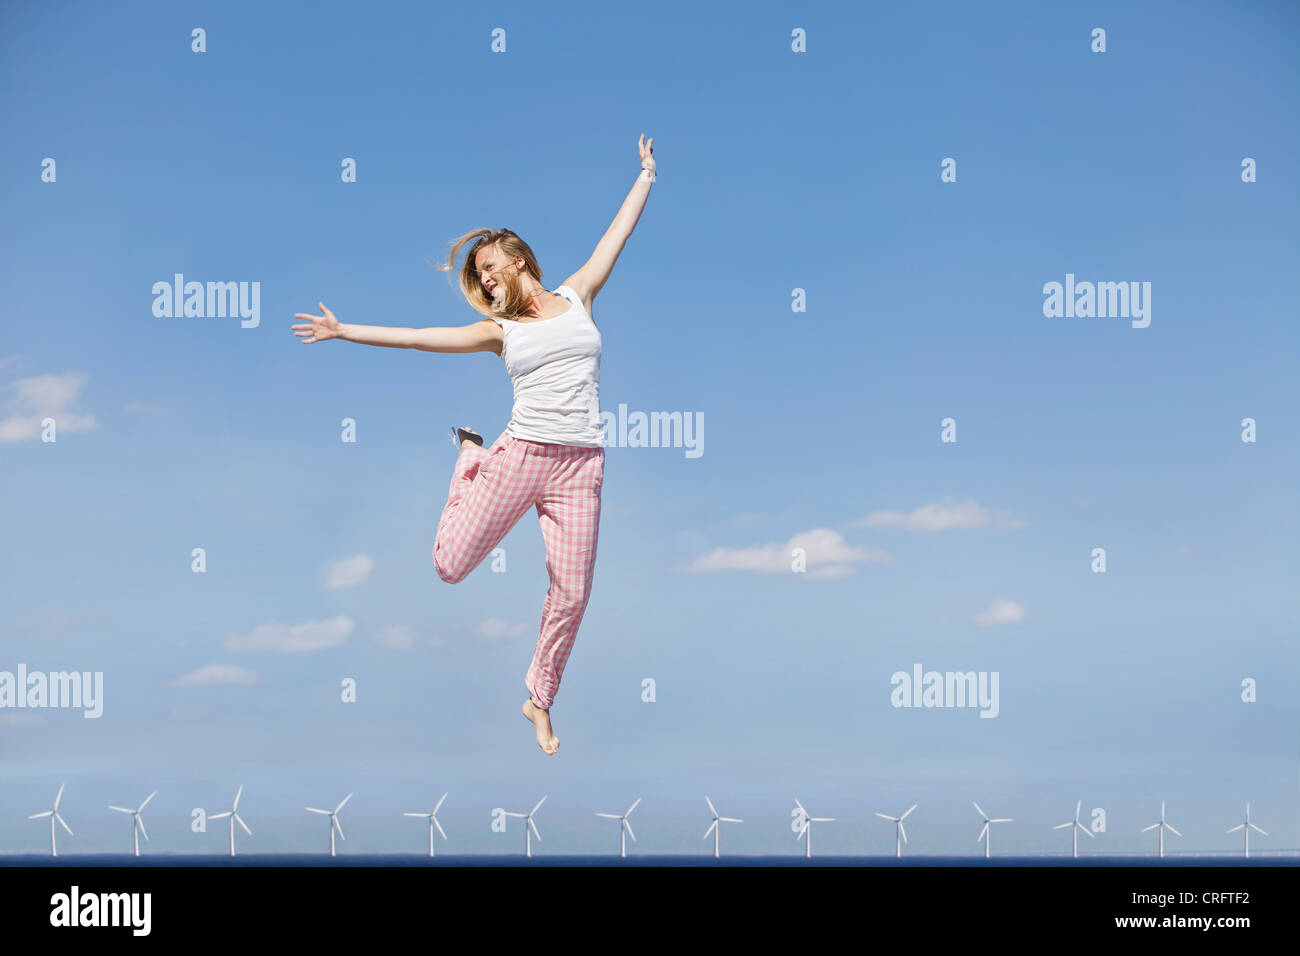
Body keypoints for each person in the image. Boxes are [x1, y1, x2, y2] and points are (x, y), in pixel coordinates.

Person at [292, 135, 656, 755]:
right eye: (479, 277)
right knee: (449, 567)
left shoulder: (576, 295)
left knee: (573, 592)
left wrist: (645, 175)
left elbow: (614, 237)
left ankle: (539, 698)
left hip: (581, 466)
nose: (484, 281)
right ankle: (470, 458)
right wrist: (343, 330)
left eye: (490, 268)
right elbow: (416, 338)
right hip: (521, 456)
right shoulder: (498, 331)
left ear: (518, 259)